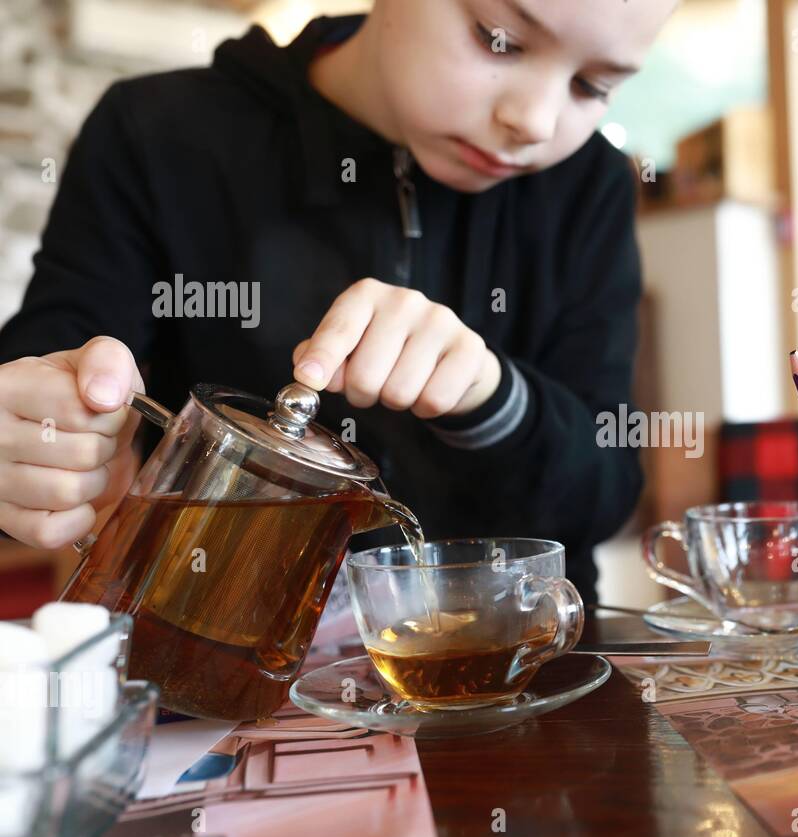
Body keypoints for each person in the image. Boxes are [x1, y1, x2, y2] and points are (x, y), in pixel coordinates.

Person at [0, 1, 679, 602]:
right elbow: (45, 370)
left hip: (520, 673)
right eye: (497, 38)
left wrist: (494, 399)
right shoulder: (156, 134)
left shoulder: (588, 185)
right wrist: (38, 431)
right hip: (216, 663)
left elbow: (605, 494)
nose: (533, 121)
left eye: (594, 85)